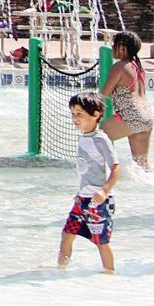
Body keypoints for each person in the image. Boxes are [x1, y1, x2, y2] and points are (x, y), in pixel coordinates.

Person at [57, 91, 118, 273]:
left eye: (80, 114)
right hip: (82, 199)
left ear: (96, 115)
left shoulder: (101, 139)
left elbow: (116, 169)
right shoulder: (83, 137)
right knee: (67, 233)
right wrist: (79, 193)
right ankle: (60, 270)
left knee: (101, 242)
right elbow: (86, 171)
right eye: (73, 114)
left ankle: (109, 273)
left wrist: (104, 191)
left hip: (98, 201)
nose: (75, 118)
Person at [101, 30, 154, 168]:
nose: (112, 47)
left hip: (130, 116)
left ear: (123, 48)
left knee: (94, 138)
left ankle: (101, 175)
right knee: (142, 165)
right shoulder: (139, 68)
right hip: (147, 117)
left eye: (115, 45)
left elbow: (104, 95)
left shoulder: (119, 66)